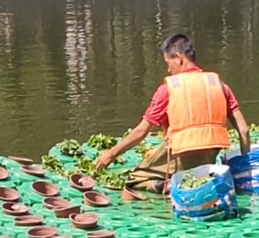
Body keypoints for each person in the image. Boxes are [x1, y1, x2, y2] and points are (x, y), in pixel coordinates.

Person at [95, 34, 250, 194]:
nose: (168, 70)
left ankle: (166, 185)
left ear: (178, 57)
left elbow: (141, 131)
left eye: (168, 63)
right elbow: (244, 130)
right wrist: (246, 169)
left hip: (182, 154)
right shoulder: (219, 84)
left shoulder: (169, 88)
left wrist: (110, 155)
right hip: (209, 155)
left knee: (136, 179)